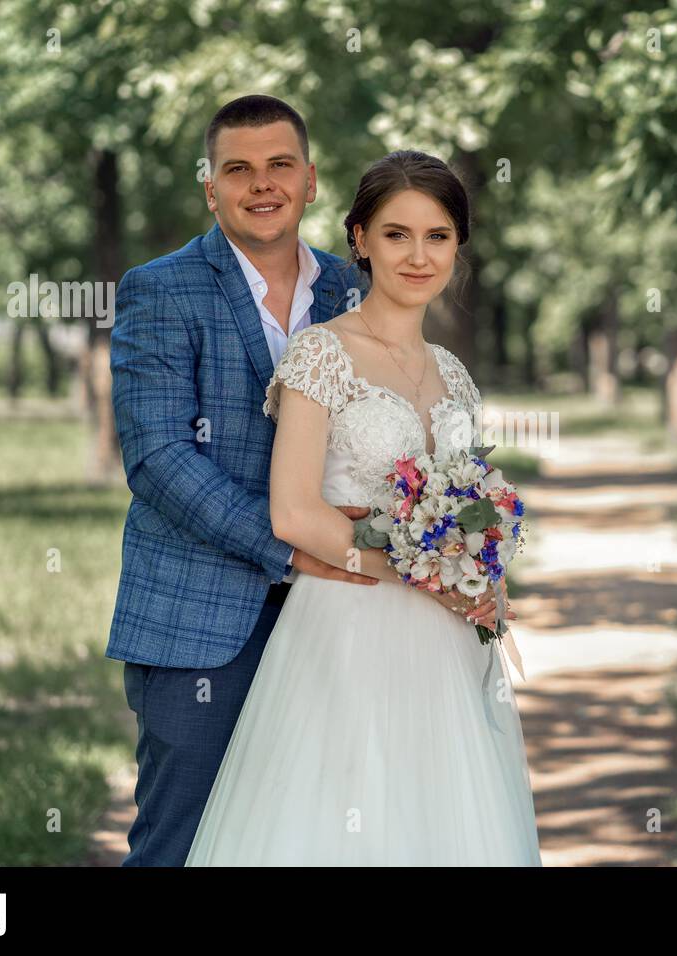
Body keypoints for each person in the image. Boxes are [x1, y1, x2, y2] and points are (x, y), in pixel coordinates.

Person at [106, 94, 507, 866]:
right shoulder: (161, 289)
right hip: (204, 615)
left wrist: (468, 557)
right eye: (239, 169)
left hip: (358, 629)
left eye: (280, 165)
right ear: (210, 186)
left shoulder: (353, 292)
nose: (263, 184)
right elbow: (158, 458)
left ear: (311, 180)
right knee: (186, 842)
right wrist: (300, 546)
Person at [184, 148, 541, 865]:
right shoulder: (321, 354)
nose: (418, 256)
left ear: (458, 247)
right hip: (346, 626)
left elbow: (470, 507)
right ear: (360, 240)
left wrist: (483, 578)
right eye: (396, 234)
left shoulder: (456, 376)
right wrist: (419, 572)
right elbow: (292, 512)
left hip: (447, 644)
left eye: (437, 236)